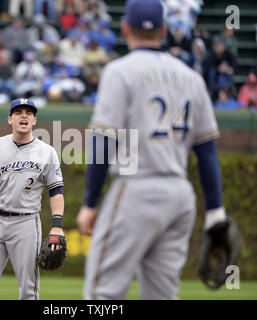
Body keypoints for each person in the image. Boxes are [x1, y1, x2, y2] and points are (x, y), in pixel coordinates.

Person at [76, 0, 229, 300]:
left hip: (136, 188)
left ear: (124, 28)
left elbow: (104, 140)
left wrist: (90, 203)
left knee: (102, 294)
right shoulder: (192, 78)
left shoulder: (119, 71)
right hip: (179, 197)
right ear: (163, 30)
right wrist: (215, 212)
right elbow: (207, 151)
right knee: (162, 295)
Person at [0, 98, 65, 300]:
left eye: (28, 113)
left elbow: (56, 191)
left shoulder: (47, 152)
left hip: (25, 223)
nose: (23, 115)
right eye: (18, 112)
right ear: (10, 119)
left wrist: (57, 225)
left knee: (28, 290)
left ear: (34, 120)